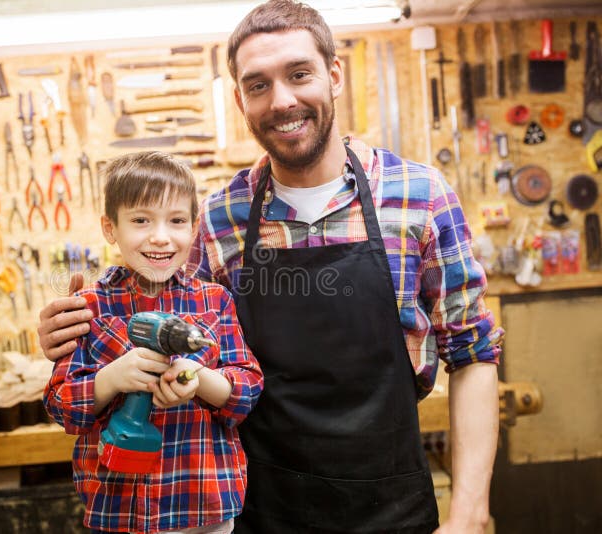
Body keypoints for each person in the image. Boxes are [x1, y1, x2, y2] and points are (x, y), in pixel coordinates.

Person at [39, 1, 503, 532]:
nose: (282, 101)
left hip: (391, 505)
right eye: (258, 85)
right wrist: (71, 326)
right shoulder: (218, 219)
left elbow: (472, 354)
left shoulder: (419, 198)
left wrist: (469, 513)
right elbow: (155, 315)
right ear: (240, 100)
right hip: (261, 509)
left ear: (334, 76)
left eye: (299, 74)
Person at [43, 151, 263, 534]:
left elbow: (245, 392)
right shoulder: (87, 308)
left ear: (194, 228)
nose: (160, 236)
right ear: (110, 228)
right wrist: (113, 378)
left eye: (176, 221)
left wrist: (198, 378)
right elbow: (63, 406)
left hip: (203, 505)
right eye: (141, 220)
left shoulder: (215, 301)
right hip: (120, 509)